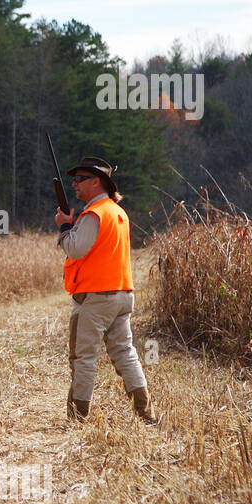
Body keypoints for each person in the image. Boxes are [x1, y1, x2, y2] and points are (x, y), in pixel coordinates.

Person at [53, 156, 157, 424]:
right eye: (74, 180)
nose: (74, 184)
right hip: (122, 294)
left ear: (96, 182)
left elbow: (75, 248)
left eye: (80, 179)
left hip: (96, 298)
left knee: (83, 358)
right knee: (125, 353)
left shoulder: (94, 213)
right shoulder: (118, 212)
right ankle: (145, 413)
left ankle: (77, 418)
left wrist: (65, 226)